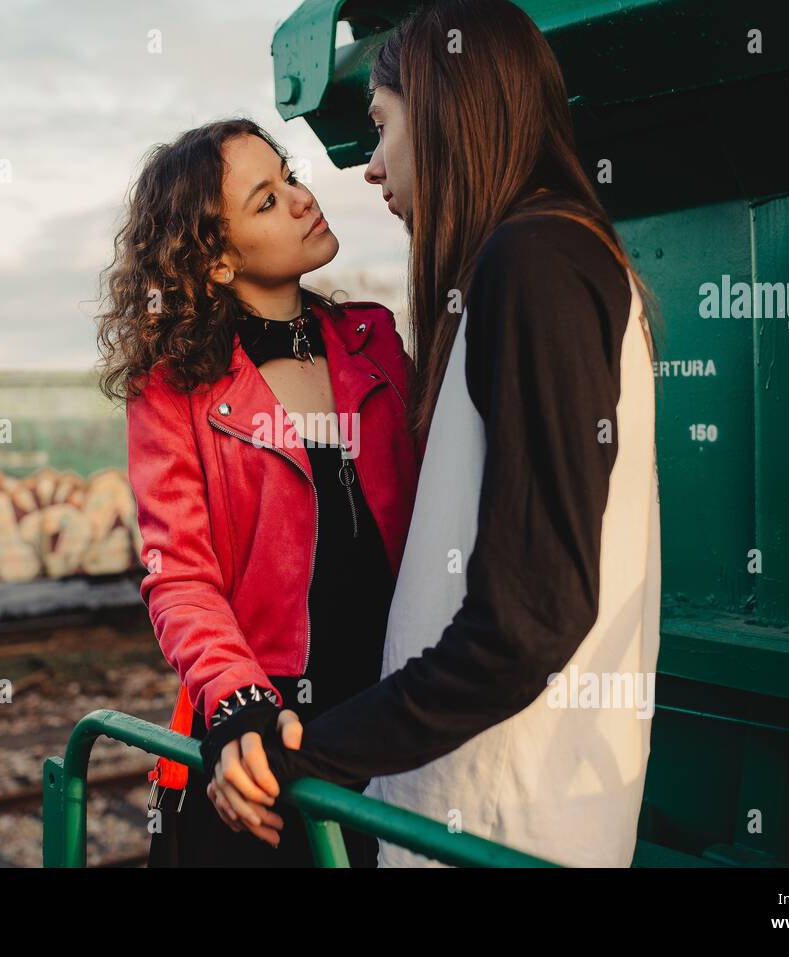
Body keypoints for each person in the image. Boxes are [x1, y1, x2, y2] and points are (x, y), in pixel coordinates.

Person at [206, 0, 663, 868]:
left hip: (495, 824)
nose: (371, 167)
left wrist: (304, 754)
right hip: (484, 813)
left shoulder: (533, 266)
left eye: (381, 127)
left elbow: (525, 623)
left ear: (448, 109)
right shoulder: (540, 261)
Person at [96, 118, 420, 866]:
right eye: (267, 201)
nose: (304, 201)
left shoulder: (375, 343)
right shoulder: (171, 387)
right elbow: (178, 573)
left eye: (292, 179)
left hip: (390, 722)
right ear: (214, 260)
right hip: (263, 732)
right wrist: (238, 700)